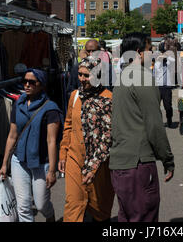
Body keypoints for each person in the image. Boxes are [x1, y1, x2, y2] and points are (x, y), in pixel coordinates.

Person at [110, 32, 175, 222]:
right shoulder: (142, 78)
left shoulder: (122, 77)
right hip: (137, 163)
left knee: (128, 216)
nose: (153, 54)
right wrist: (167, 159)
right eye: (149, 49)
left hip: (121, 163)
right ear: (139, 52)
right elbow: (154, 125)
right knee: (144, 217)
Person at [0, 69, 62, 222]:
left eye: (32, 82)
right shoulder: (18, 103)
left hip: (41, 162)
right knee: (23, 206)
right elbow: (12, 135)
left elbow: (51, 141)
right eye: (24, 81)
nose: (27, 85)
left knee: (40, 204)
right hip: (19, 160)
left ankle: (50, 215)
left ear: (41, 84)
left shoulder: (50, 108)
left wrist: (52, 171)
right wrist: (4, 164)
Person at [58, 56, 115, 222]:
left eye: (86, 75)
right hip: (75, 158)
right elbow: (68, 126)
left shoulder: (109, 99)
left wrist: (94, 165)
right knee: (73, 203)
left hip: (100, 164)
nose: (82, 79)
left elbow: (109, 136)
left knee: (100, 207)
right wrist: (63, 153)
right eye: (80, 74)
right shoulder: (74, 96)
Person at [154, 40, 176, 128]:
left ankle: (169, 120)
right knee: (156, 106)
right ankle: (158, 122)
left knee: (168, 106)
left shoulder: (168, 61)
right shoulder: (157, 62)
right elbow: (156, 71)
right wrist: (159, 58)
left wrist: (165, 56)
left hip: (167, 86)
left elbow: (173, 60)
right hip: (158, 86)